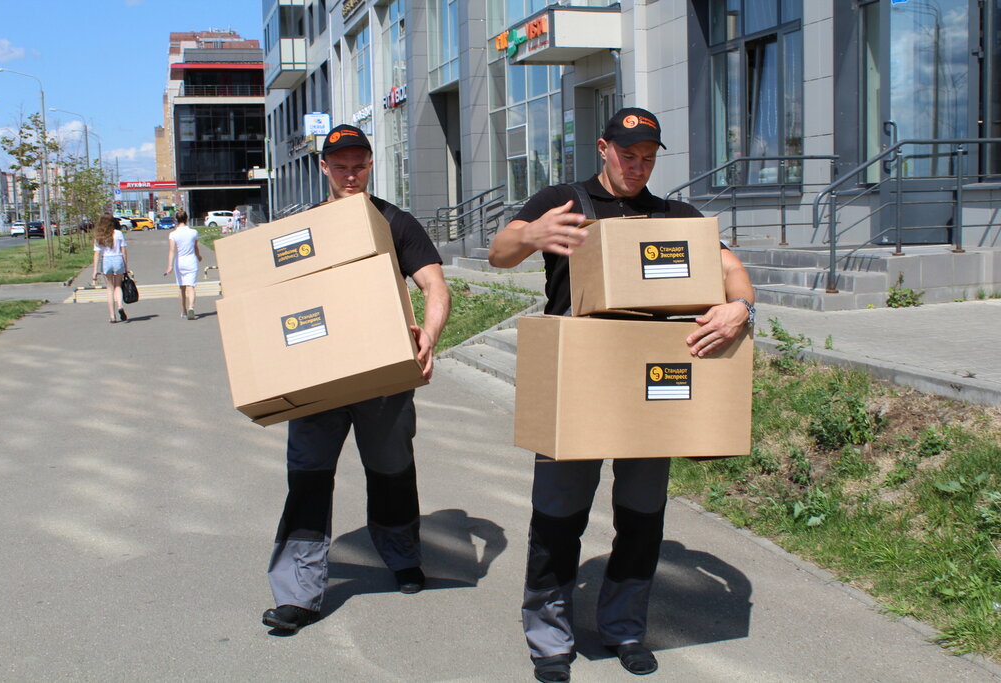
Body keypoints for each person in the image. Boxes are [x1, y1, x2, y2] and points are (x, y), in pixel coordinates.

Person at [488, 108, 755, 682]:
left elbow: (729, 266)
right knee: (559, 518)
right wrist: (531, 234)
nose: (638, 168)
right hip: (576, 378)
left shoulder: (674, 215)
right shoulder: (565, 201)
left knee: (641, 517)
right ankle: (550, 639)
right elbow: (499, 251)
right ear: (604, 148)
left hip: (650, 381)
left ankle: (625, 627)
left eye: (648, 159)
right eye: (628, 156)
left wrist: (741, 307)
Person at [261, 124, 451, 634]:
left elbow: (434, 284)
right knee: (308, 477)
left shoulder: (396, 222)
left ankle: (400, 552)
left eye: (359, 164)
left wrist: (428, 336)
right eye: (340, 165)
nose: (350, 174)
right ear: (323, 167)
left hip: (384, 376)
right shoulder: (301, 228)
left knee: (391, 470)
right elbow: (273, 300)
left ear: (371, 164)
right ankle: (297, 593)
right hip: (318, 376)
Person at [163, 210, 202, 320]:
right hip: (191, 261)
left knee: (181, 287)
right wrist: (199, 256)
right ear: (187, 219)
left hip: (180, 262)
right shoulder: (193, 232)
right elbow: (195, 247)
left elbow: (172, 250)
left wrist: (169, 266)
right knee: (191, 287)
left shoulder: (173, 234)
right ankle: (191, 308)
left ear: (176, 220)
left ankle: (184, 311)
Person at [91, 215, 129, 324]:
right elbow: (123, 251)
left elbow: (97, 254)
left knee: (109, 288)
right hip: (118, 259)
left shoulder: (99, 236)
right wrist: (125, 266)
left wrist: (94, 270)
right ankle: (120, 306)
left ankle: (112, 316)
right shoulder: (118, 233)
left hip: (106, 260)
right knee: (118, 286)